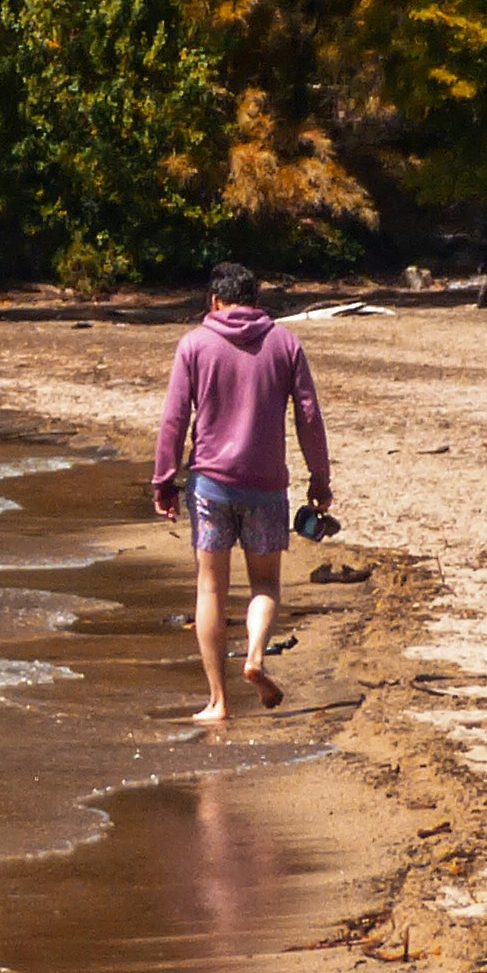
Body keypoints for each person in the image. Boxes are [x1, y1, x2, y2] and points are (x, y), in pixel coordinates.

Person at [150, 260, 332, 730]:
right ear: (256, 300)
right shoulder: (284, 343)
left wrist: (164, 480)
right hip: (267, 486)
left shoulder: (194, 344)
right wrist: (319, 477)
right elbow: (309, 417)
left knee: (210, 588)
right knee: (265, 585)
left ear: (214, 301)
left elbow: (173, 419)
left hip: (211, 483)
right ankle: (254, 656)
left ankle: (219, 701)